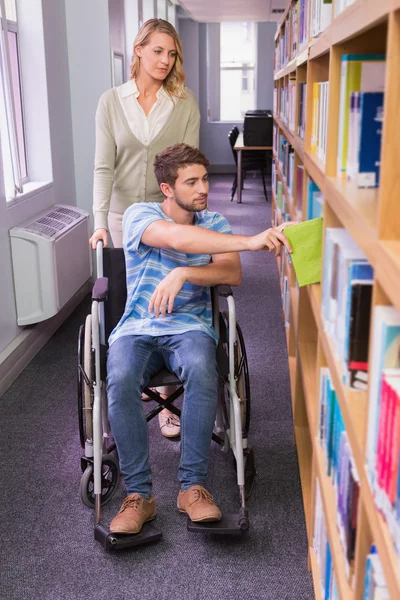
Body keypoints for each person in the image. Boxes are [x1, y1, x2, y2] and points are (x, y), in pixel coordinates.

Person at [106, 143, 293, 534]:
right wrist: (251, 240)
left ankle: (192, 487)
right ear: (167, 189)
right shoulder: (140, 214)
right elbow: (177, 240)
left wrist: (185, 275)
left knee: (201, 368)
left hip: (190, 326)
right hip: (138, 326)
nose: (203, 188)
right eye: (191, 182)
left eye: (205, 179)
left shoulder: (216, 223)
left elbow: (232, 274)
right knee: (120, 378)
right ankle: (139, 495)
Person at [90, 18, 200, 436]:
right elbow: (103, 165)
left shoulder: (184, 101)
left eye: (171, 54)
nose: (165, 60)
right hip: (120, 216)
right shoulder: (111, 101)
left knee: (169, 302)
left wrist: (189, 218)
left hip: (165, 217)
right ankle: (132, 383)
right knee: (126, 303)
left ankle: (169, 404)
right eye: (157, 51)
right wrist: (100, 221)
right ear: (138, 50)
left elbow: (189, 164)